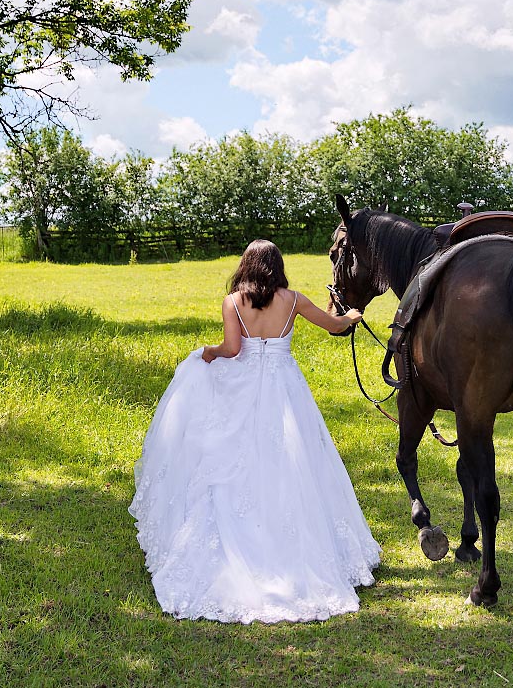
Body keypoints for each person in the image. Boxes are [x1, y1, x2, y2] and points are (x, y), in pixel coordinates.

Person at [129, 239, 381, 623]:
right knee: (297, 458)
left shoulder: (234, 301)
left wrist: (209, 352)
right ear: (278, 266)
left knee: (233, 455)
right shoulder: (292, 299)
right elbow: (333, 324)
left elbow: (232, 350)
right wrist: (350, 317)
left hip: (244, 387)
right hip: (285, 388)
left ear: (246, 265)